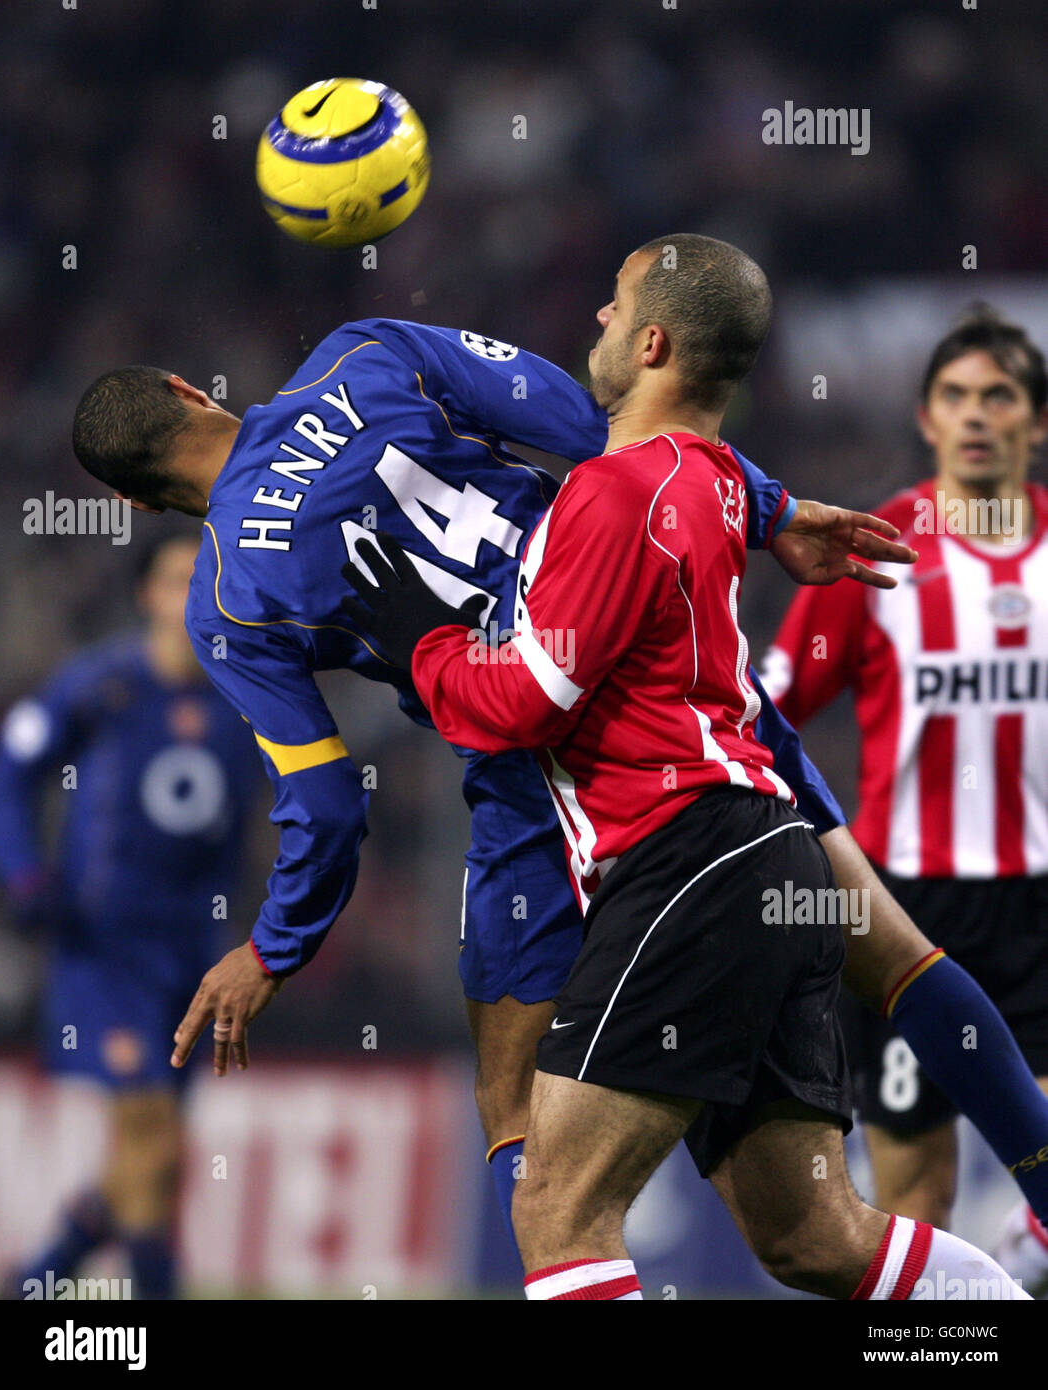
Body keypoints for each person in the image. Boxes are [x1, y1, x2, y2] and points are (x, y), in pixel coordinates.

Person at [70, 304, 1048, 1282]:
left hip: (528, 750)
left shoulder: (231, 600)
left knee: (523, 1129)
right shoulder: (363, 353)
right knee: (892, 966)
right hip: (672, 664)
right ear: (192, 393)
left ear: (142, 505)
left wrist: (273, 947)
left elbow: (326, 806)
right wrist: (769, 507)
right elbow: (598, 431)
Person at [342, 235, 1030, 1300]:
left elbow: (529, 701)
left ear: (654, 339)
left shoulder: (617, 491)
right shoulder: (707, 476)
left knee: (558, 1208)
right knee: (814, 1235)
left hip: (688, 861)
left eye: (614, 310)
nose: (598, 326)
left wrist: (420, 643)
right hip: (770, 857)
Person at [762, 304, 1048, 1294]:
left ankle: (1025, 1254)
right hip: (909, 915)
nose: (976, 416)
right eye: (955, 396)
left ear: (1036, 422)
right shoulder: (875, 550)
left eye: (999, 395)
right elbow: (773, 701)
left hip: (1041, 903)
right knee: (911, 1191)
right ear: (926, 417)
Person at [0, 535, 262, 1299]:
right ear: (145, 594)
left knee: (158, 1158)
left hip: (193, 957)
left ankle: (37, 1284)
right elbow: (13, 770)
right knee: (149, 1133)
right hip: (104, 947)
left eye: (205, 576)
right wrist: (24, 874)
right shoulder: (100, 685)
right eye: (179, 577)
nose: (194, 591)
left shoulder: (246, 694)